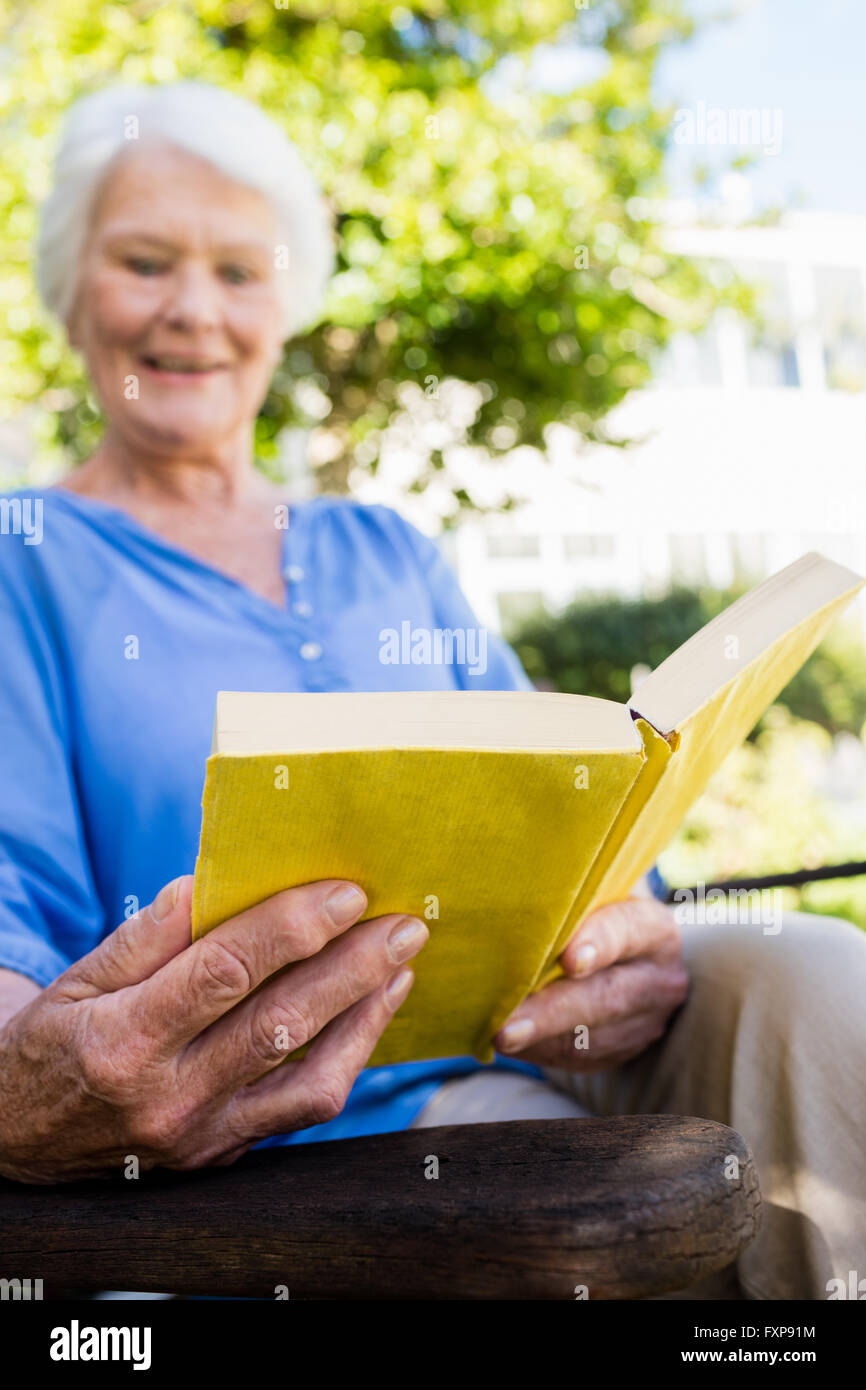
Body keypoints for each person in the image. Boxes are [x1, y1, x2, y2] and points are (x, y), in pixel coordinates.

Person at [0, 81, 863, 1301]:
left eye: (239, 273)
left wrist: (624, 934)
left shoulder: (384, 549)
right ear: (70, 291)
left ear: (283, 309)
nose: (194, 310)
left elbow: (571, 807)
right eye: (146, 262)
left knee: (816, 974)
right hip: (267, 1144)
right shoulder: (23, 558)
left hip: (518, 1048)